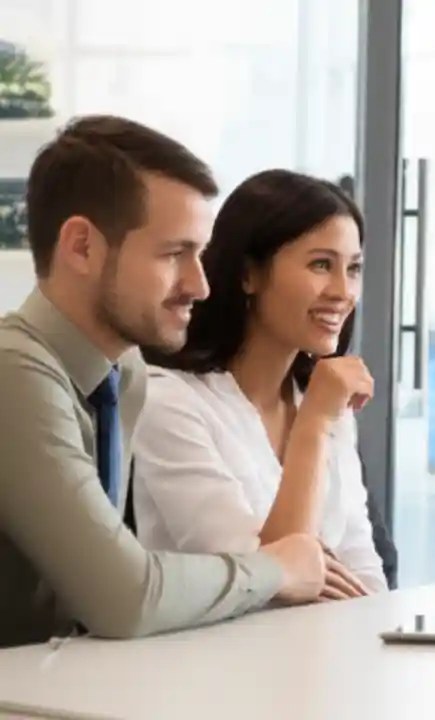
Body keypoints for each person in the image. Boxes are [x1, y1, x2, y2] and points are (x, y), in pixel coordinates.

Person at [0, 116, 328, 649]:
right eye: (175, 254)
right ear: (82, 247)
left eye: (200, 254)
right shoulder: (13, 375)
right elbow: (123, 596)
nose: (200, 285)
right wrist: (275, 567)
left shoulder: (122, 375)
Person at [133, 169, 387, 595]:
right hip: (213, 659)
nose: (344, 291)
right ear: (248, 274)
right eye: (321, 264)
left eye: (355, 268)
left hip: (327, 651)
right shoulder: (169, 403)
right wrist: (313, 425)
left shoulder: (326, 403)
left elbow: (365, 570)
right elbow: (268, 585)